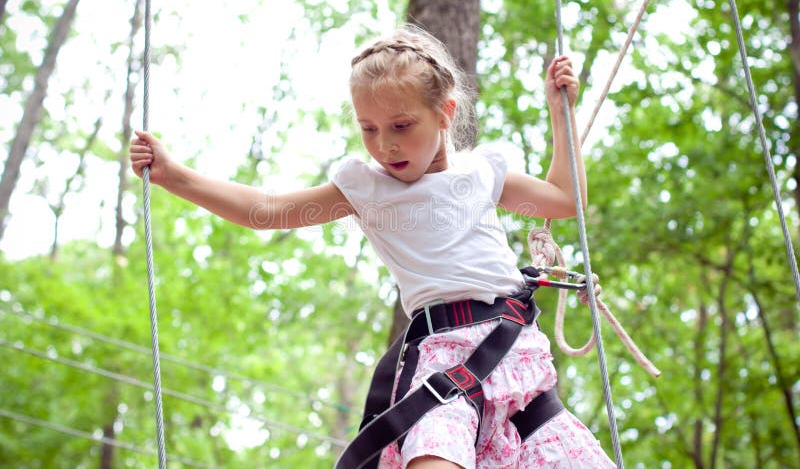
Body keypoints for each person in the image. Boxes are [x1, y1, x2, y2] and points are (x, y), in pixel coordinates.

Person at [130, 25, 614, 468]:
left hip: (511, 355)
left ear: (445, 112)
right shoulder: (367, 189)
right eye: (369, 129)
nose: (385, 145)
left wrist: (560, 111)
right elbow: (267, 210)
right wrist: (175, 176)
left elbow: (564, 199)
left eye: (401, 126)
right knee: (432, 454)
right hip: (445, 362)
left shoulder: (481, 172)